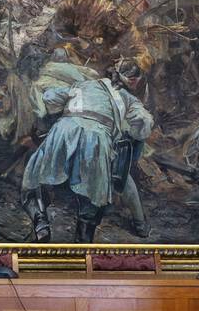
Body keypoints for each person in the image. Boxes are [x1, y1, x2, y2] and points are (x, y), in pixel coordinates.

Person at [20, 59, 153, 242]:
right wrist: (133, 133)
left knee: (35, 175)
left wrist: (66, 106)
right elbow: (144, 122)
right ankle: (83, 238)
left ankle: (40, 219)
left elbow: (50, 97)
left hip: (65, 130)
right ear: (132, 81)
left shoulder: (83, 84)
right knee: (92, 193)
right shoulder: (129, 99)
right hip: (96, 139)